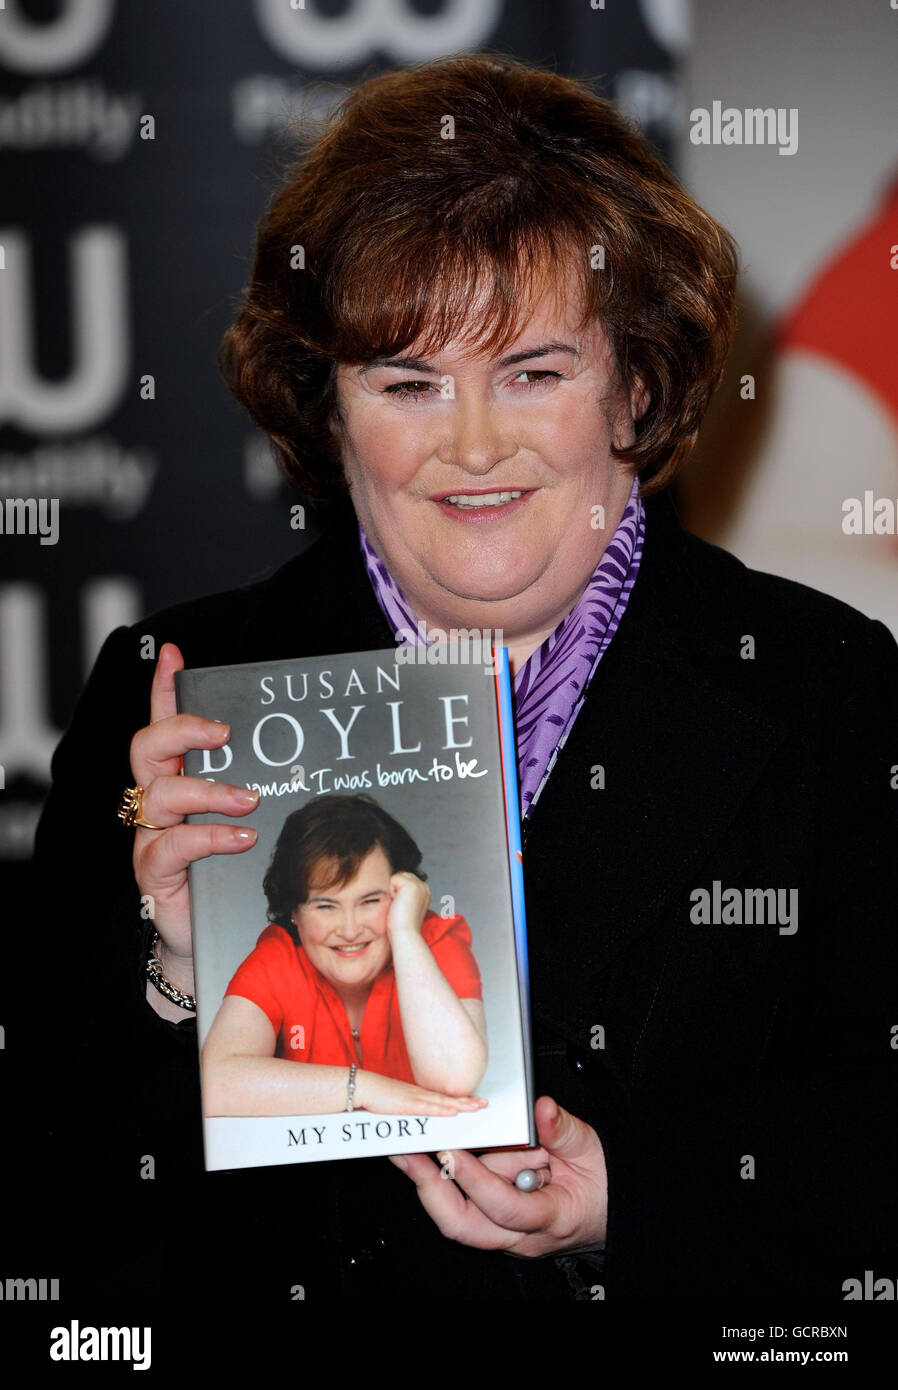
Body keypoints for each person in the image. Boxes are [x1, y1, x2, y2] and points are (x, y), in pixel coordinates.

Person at [22, 53, 897, 1302]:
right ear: (329, 415)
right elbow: (60, 1190)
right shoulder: (173, 689)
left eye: (535, 371)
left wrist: (639, 1193)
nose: (473, 444)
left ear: (635, 386)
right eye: (407, 382)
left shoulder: (828, 688)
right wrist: (174, 972)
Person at [202, 793, 488, 1115]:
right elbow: (215, 1084)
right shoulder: (279, 958)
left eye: (371, 901)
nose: (350, 930)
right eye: (326, 906)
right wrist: (364, 1088)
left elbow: (454, 1080)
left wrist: (405, 933)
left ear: (402, 896)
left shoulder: (435, 942)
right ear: (294, 911)